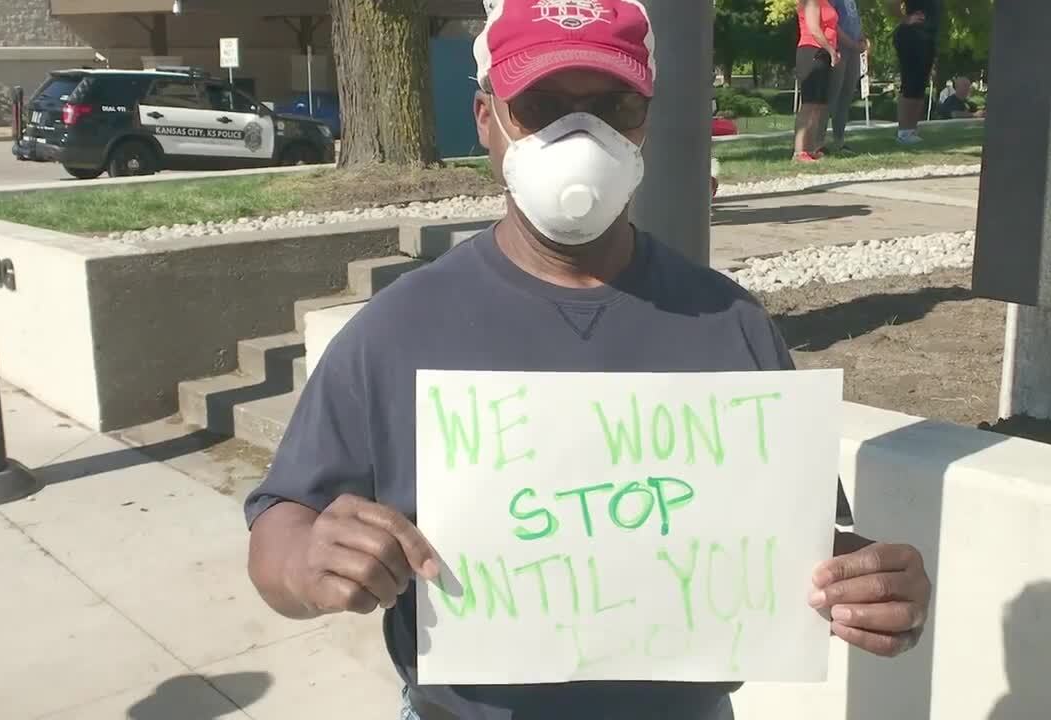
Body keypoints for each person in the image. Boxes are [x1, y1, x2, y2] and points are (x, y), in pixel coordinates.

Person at [244, 2, 933, 719]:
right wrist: (305, 562)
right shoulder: (398, 329)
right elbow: (280, 528)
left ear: (646, 120)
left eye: (613, 105)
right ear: (488, 119)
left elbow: (808, 542)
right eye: (541, 106)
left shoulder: (727, 323)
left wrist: (878, 591)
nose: (581, 134)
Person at [887, 0, 941, 144]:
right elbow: (892, 3)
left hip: (927, 36)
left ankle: (911, 129)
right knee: (910, 83)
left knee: (920, 84)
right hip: (912, 34)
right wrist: (906, 19)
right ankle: (903, 132)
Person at [795, 0, 842, 162]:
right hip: (811, 51)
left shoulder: (826, 2)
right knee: (809, 104)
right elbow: (814, 29)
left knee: (819, 105)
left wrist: (833, 51)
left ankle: (811, 148)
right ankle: (799, 151)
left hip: (824, 53)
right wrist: (830, 50)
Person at [822, 0, 867, 155]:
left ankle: (839, 140)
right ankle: (818, 141)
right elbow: (832, 22)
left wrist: (861, 39)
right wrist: (851, 44)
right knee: (832, 95)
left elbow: (854, 19)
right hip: (840, 47)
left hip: (854, 49)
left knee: (846, 95)